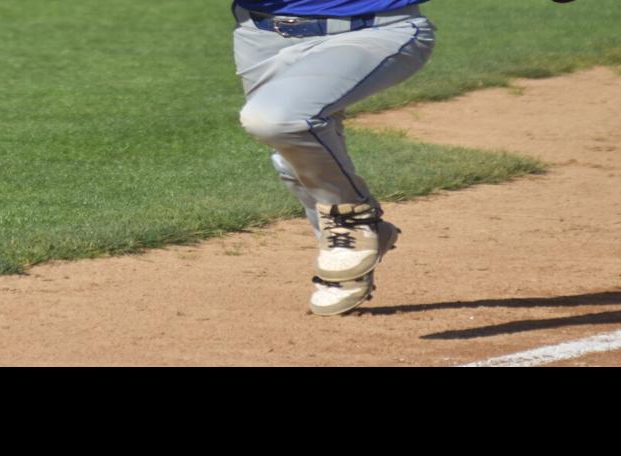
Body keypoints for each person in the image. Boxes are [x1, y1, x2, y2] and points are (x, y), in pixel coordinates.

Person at [232, 0, 576, 316]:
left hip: (375, 32)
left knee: (279, 120)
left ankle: (353, 221)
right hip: (260, 38)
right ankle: (348, 258)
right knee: (296, 154)